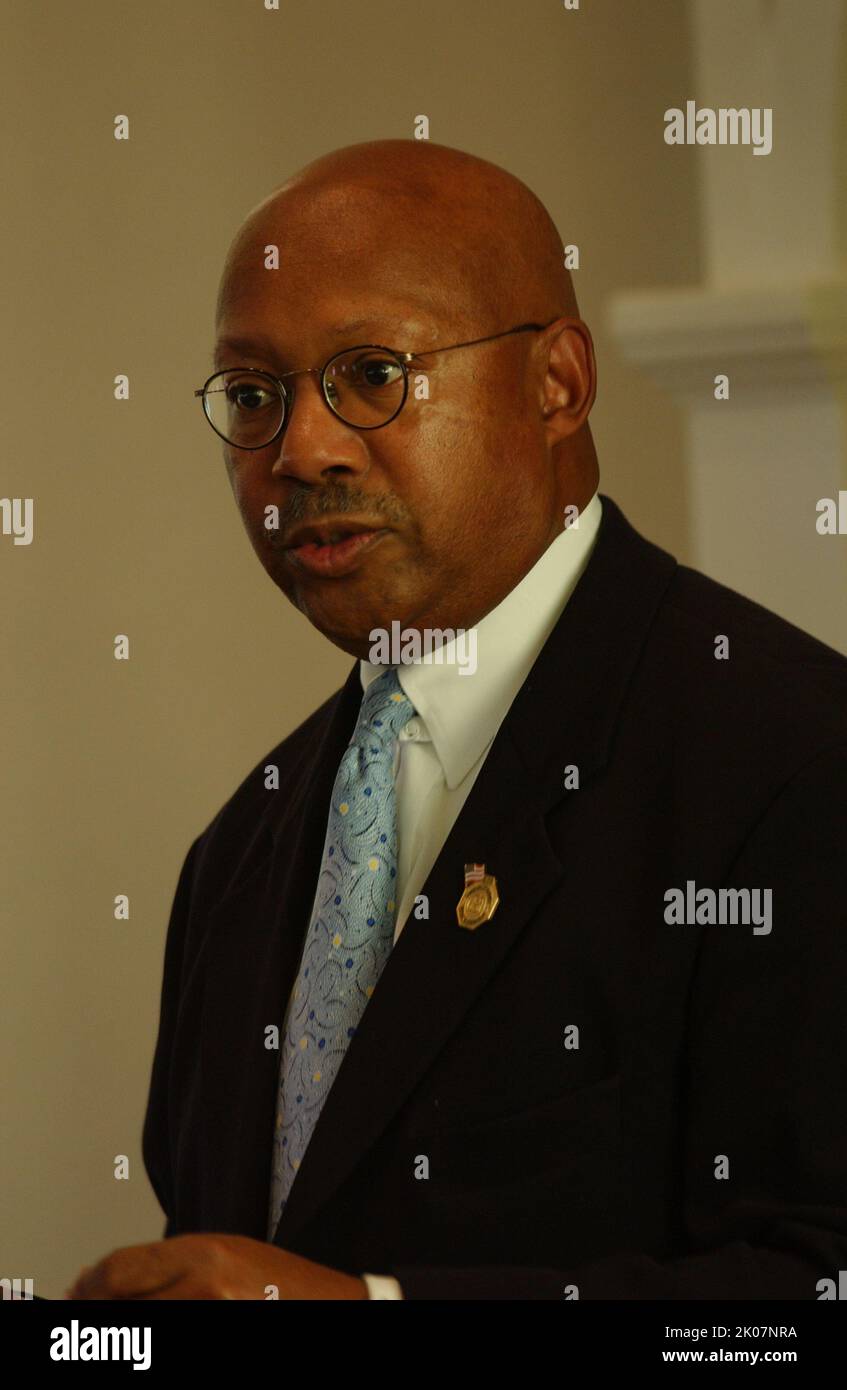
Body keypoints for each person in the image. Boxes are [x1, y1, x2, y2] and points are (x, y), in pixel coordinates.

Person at [67, 140, 847, 1301]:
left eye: (372, 373)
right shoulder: (236, 858)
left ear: (557, 385)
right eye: (253, 395)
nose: (300, 450)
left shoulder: (795, 764)